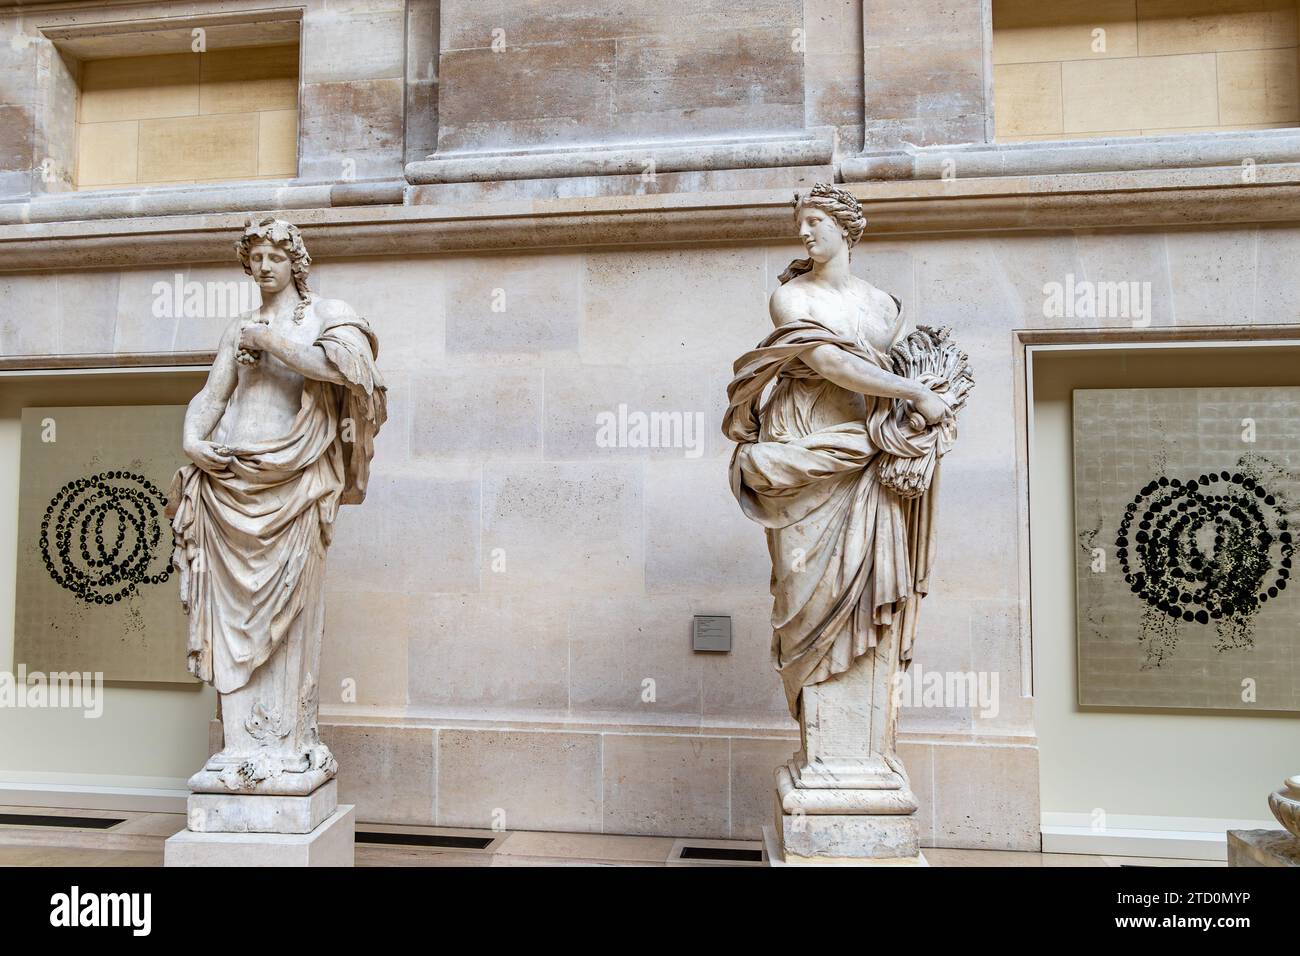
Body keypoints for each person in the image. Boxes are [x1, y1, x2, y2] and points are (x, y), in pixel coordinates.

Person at [168, 217, 386, 793]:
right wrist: (193, 439)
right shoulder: (237, 328)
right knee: (228, 616)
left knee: (291, 616)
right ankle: (242, 751)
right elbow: (212, 396)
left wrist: (270, 342)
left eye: (275, 256)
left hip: (296, 485)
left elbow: (346, 370)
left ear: (297, 263)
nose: (264, 266)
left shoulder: (325, 316)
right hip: (233, 483)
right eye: (255, 257)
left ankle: (289, 746)